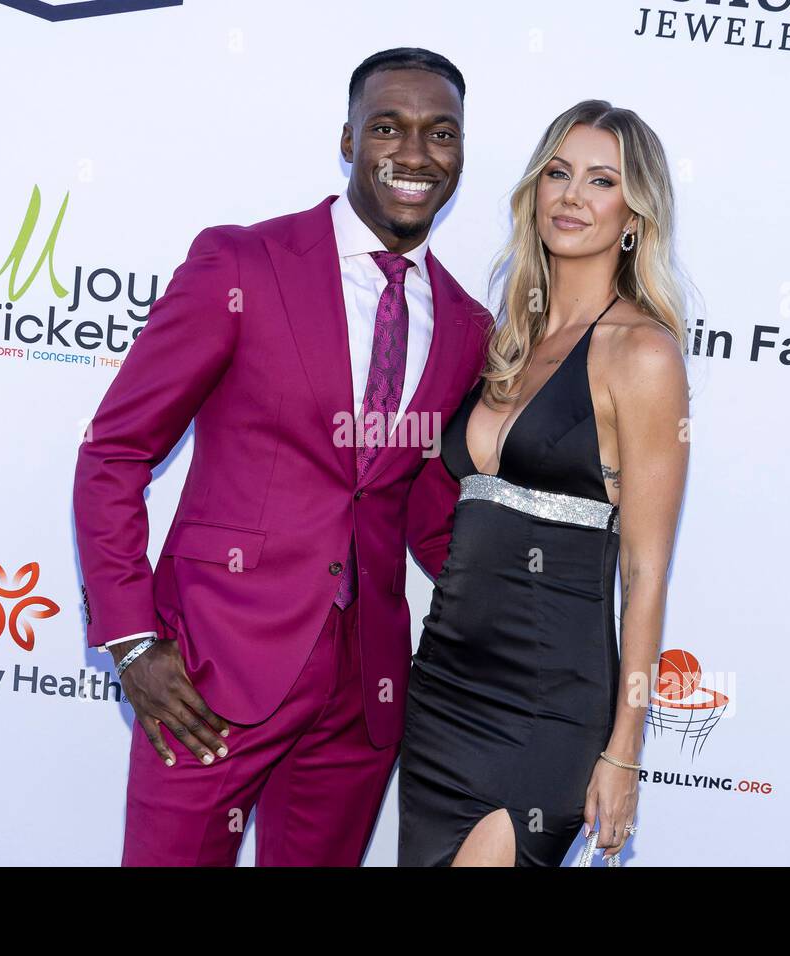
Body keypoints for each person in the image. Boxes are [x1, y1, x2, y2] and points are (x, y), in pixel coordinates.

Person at [72, 47, 493, 866]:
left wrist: (544, 608)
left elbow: (426, 514)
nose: (415, 153)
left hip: (362, 697)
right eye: (388, 128)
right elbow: (114, 453)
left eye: (441, 133)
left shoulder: (468, 325)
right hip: (209, 675)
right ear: (347, 140)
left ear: (462, 154)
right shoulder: (242, 264)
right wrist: (130, 640)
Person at [397, 100, 692, 867]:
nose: (571, 196)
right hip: (443, 687)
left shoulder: (643, 353)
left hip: (547, 704)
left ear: (634, 213)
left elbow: (646, 569)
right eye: (557, 173)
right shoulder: (506, 340)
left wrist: (625, 750)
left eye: (601, 180)